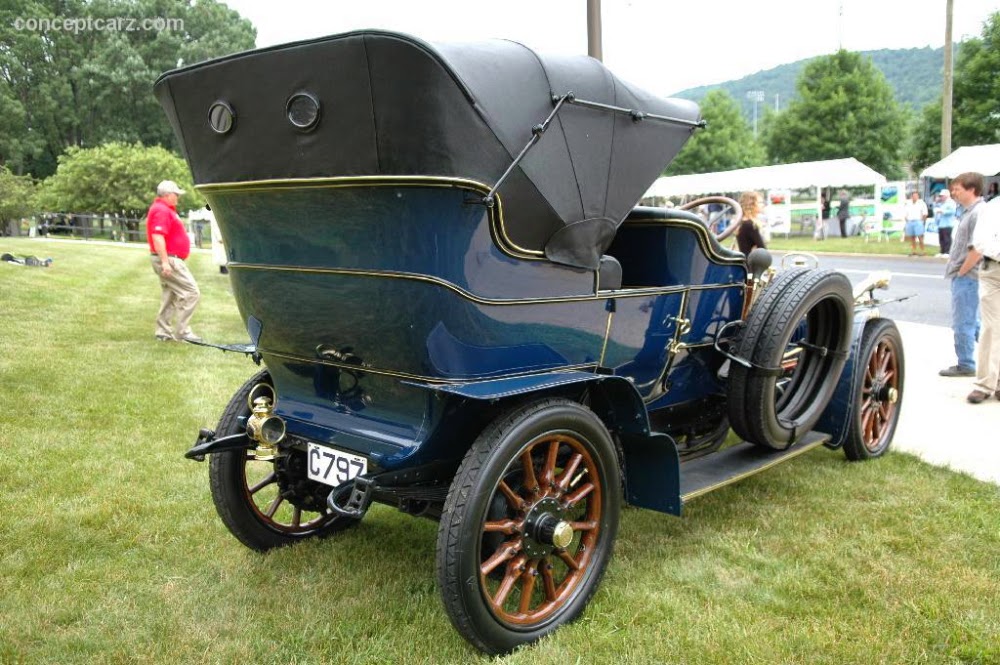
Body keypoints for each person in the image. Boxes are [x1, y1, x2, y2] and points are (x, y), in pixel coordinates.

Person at [939, 172, 985, 378]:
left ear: (971, 189)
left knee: (962, 323)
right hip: (966, 276)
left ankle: (965, 363)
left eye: (957, 189)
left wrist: (962, 271)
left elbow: (977, 249)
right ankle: (992, 354)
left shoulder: (977, 213)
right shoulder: (969, 212)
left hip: (968, 277)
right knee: (973, 322)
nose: (953, 193)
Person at [147, 180, 201, 343]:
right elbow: (157, 236)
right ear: (168, 195)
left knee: (170, 294)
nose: (178, 197)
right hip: (169, 258)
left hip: (169, 257)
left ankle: (163, 331)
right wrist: (165, 262)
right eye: (176, 194)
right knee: (191, 292)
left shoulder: (163, 209)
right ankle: (182, 332)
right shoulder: (162, 210)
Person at [965, 195, 1000, 403]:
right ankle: (985, 383)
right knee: (991, 327)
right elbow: (981, 242)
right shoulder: (992, 208)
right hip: (993, 270)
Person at [736, 191, 767, 255]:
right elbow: (762, 249)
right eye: (760, 202)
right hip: (751, 263)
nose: (763, 205)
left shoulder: (742, 222)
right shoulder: (750, 224)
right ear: (751, 204)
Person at [902, 190, 928, 256]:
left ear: (918, 196)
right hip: (910, 221)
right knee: (912, 237)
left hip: (918, 221)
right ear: (911, 196)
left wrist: (922, 221)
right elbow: (905, 212)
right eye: (913, 196)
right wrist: (906, 219)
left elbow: (925, 213)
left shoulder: (921, 203)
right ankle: (914, 251)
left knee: (920, 237)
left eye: (916, 195)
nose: (914, 197)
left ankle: (923, 251)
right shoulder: (908, 203)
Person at [933, 189, 957, 256]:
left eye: (942, 196)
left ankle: (947, 252)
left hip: (948, 223)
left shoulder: (951, 202)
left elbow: (952, 211)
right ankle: (942, 251)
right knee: (941, 238)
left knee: (947, 238)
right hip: (941, 224)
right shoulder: (942, 203)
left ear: (946, 196)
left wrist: (942, 211)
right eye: (940, 196)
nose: (941, 197)